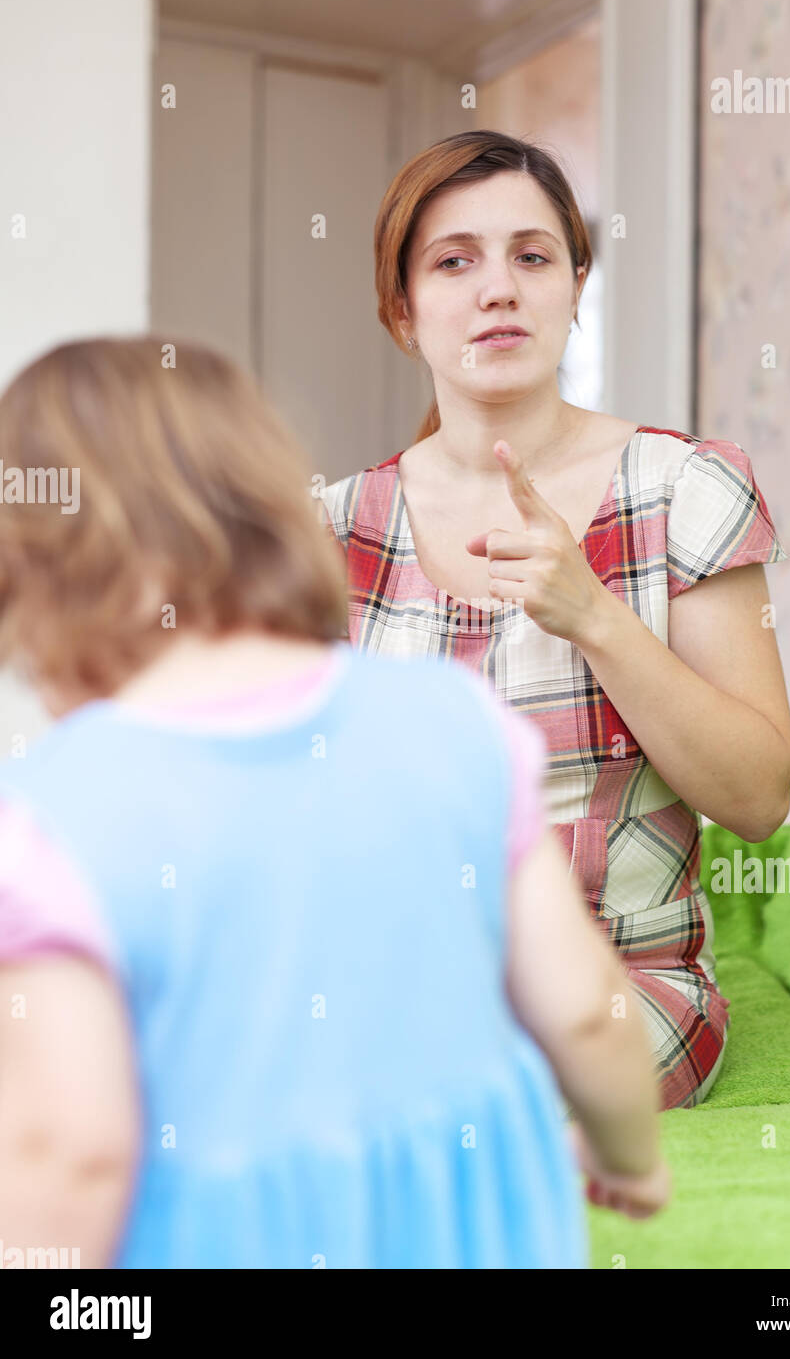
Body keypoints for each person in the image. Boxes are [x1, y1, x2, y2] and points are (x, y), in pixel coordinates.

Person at [0, 335, 667, 1271]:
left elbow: (73, 1150)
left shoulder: (47, 817)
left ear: (33, 579)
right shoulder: (453, 723)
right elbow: (588, 1011)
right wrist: (623, 1154)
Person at [320, 130, 790, 1110]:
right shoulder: (330, 530)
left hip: (619, 996)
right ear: (401, 310)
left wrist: (596, 617)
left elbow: (756, 798)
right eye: (454, 261)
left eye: (531, 256)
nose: (497, 288)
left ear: (574, 285)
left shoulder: (681, 489)